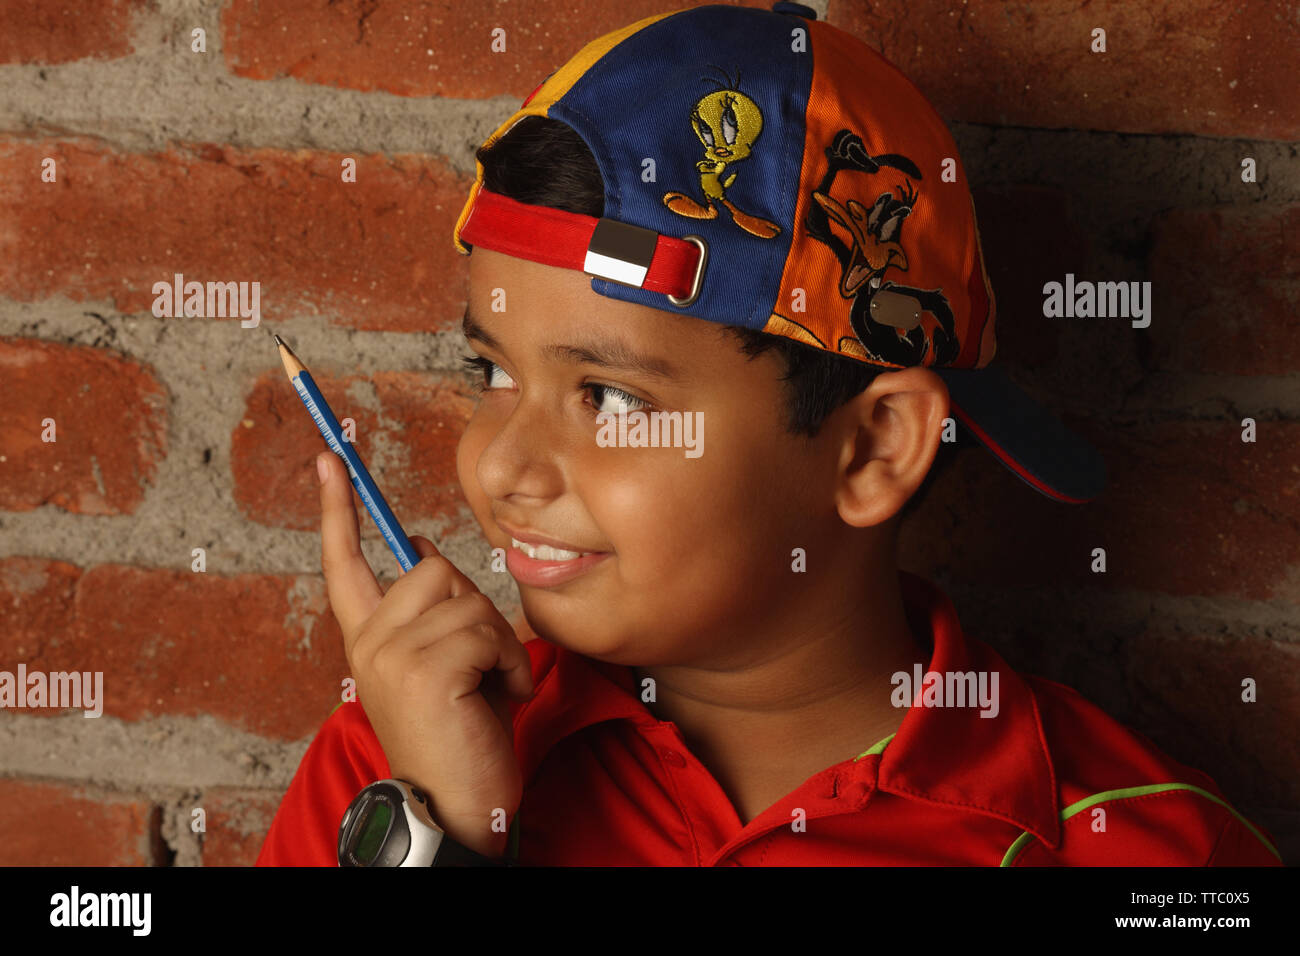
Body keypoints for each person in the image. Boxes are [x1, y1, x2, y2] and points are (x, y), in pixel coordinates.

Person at [256, 2, 1282, 867]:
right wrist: (442, 834)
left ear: (875, 446)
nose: (497, 466)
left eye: (609, 398)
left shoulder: (1139, 848)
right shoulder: (401, 767)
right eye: (492, 371)